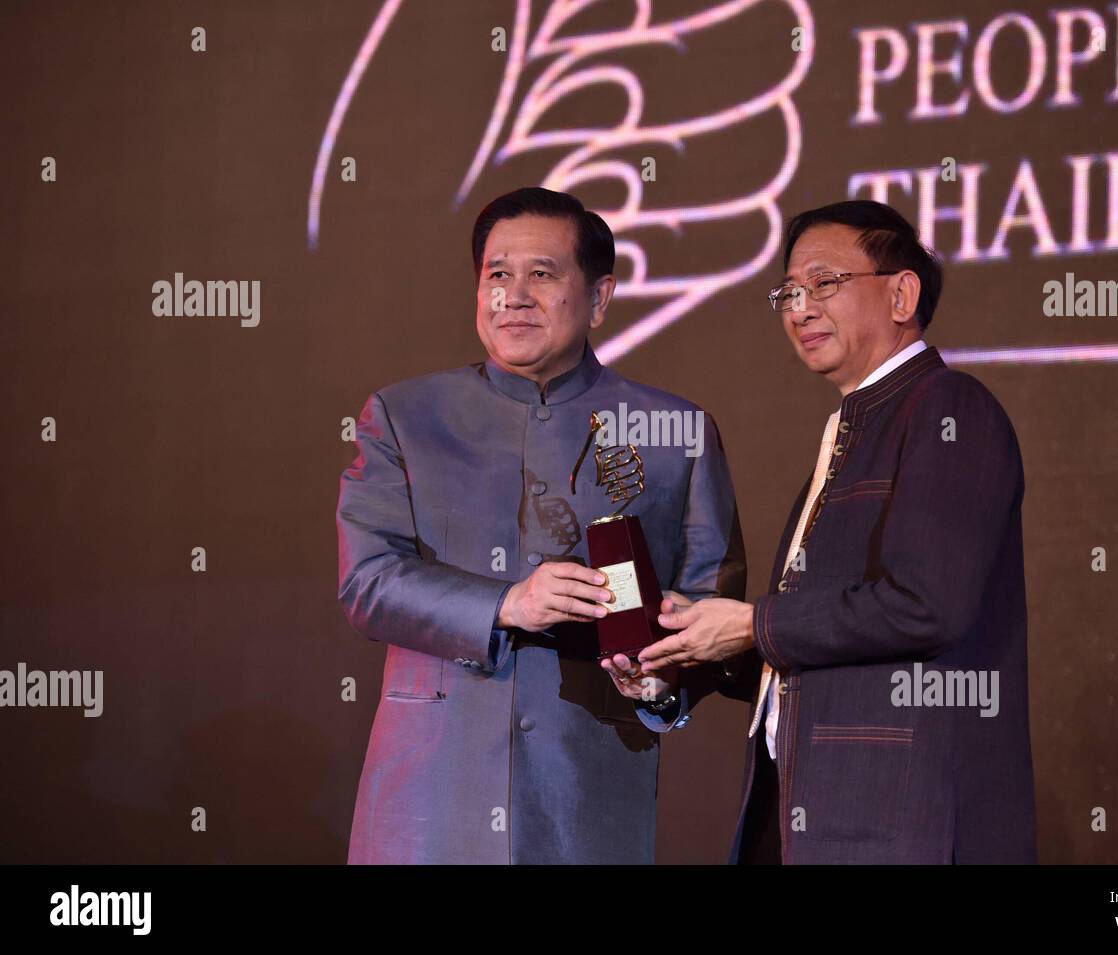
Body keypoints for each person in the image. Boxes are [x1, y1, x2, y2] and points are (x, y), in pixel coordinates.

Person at [336, 187, 745, 863]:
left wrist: (662, 678)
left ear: (600, 296)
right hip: (429, 802)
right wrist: (506, 603)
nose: (514, 296)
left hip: (587, 796)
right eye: (497, 274)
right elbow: (367, 580)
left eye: (543, 274)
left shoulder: (678, 432)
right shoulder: (406, 417)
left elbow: (710, 602)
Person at [638, 200, 1037, 864]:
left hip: (890, 822)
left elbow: (923, 604)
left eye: (824, 283)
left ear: (902, 292)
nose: (798, 308)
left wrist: (749, 624)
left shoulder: (948, 406)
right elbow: (816, 639)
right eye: (788, 292)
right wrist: (692, 649)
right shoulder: (851, 432)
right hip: (797, 814)